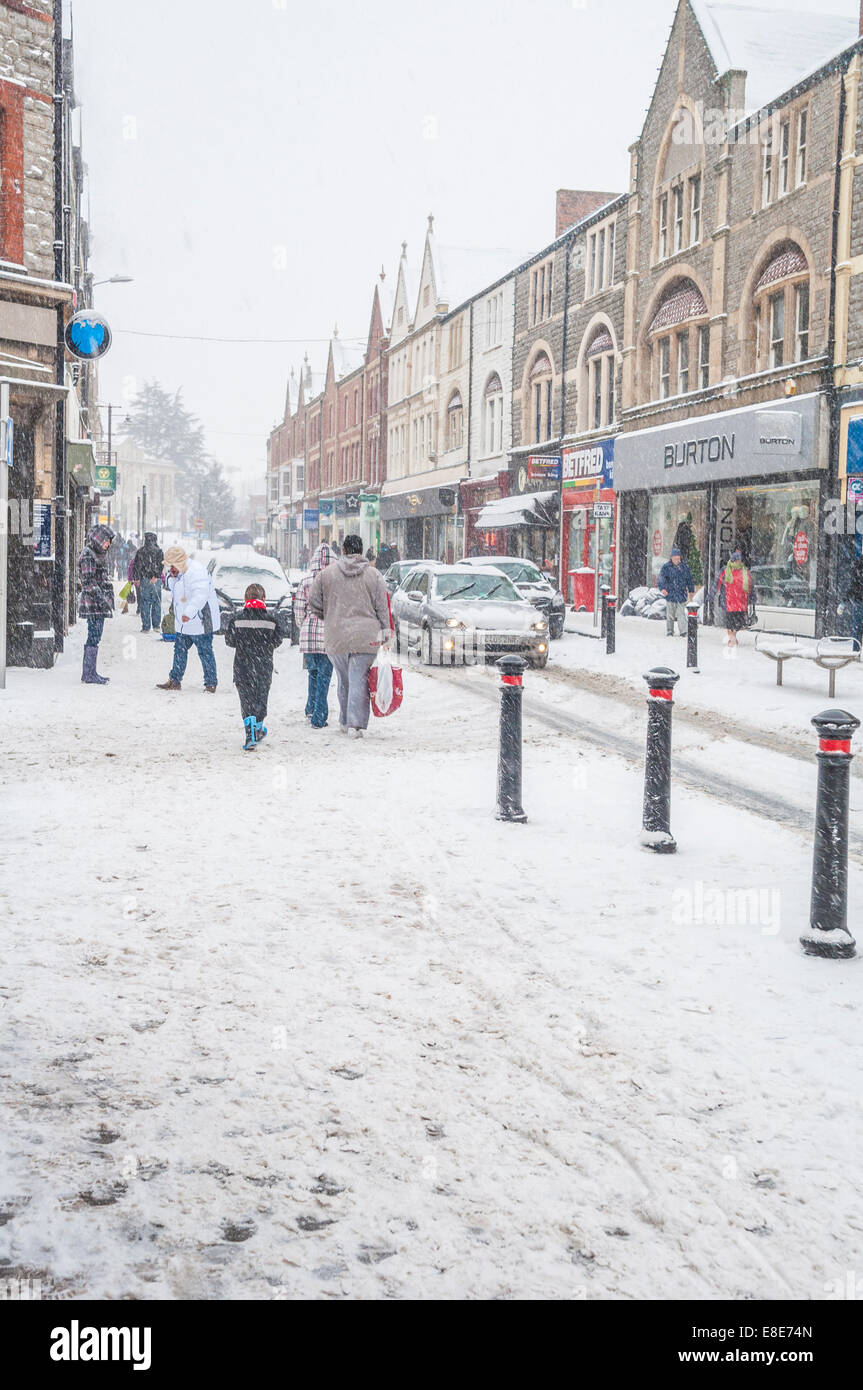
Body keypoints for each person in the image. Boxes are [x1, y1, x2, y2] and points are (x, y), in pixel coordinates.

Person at [308, 532, 391, 738]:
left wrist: (328, 615)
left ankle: (345, 720)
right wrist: (386, 633)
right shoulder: (374, 575)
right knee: (359, 679)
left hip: (337, 637)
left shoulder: (327, 574)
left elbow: (313, 601)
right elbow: (382, 607)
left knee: (344, 680)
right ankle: (355, 724)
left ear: (343, 550)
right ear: (362, 551)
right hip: (366, 637)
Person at [224, 582, 283, 751]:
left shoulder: (237, 619)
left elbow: (229, 641)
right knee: (260, 697)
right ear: (264, 599)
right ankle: (257, 728)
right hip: (263, 666)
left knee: (246, 699)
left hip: (242, 666)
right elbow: (277, 640)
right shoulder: (271, 621)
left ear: (245, 599)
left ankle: (250, 734)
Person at [156, 546, 221, 692]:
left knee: (205, 652)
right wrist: (172, 578)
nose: (170, 570)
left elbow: (200, 596)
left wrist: (189, 613)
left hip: (201, 621)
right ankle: (174, 681)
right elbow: (176, 591)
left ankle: (210, 683)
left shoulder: (197, 572)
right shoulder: (179, 573)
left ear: (179, 563)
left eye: (172, 566)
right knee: (179, 650)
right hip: (184, 623)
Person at [295, 542, 335, 728]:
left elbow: (298, 610)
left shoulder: (306, 581)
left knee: (312, 673)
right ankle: (319, 717)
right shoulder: (335, 581)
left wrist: (304, 625)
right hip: (329, 634)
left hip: (309, 635)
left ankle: (310, 708)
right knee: (324, 676)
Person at [78, 523, 115, 685]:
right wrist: (102, 598)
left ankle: (91, 672)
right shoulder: (89, 555)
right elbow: (88, 581)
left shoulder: (97, 554)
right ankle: (88, 673)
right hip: (93, 604)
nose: (108, 544)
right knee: (93, 636)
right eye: (107, 540)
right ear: (99, 539)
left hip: (98, 603)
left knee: (95, 636)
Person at [715, 549, 754, 648]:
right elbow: (717, 583)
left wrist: (752, 598)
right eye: (736, 560)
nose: (738, 562)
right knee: (729, 622)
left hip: (741, 602)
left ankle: (733, 636)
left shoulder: (745, 571)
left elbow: (750, 587)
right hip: (729, 602)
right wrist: (711, 595)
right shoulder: (725, 570)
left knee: (739, 623)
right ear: (732, 561)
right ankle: (732, 639)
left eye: (739, 560)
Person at [658, 546, 695, 636]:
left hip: (681, 594)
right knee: (670, 615)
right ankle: (670, 630)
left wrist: (691, 590)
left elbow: (689, 579)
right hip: (670, 594)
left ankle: (683, 631)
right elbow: (661, 579)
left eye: (678, 558)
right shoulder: (666, 567)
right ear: (671, 558)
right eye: (675, 558)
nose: (677, 560)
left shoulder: (684, 567)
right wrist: (663, 588)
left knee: (681, 614)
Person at [132, 531, 164, 634]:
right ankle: (156, 625)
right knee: (156, 602)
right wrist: (156, 575)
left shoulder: (141, 551)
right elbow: (161, 565)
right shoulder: (159, 551)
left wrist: (136, 578)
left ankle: (146, 626)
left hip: (144, 579)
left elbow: (136, 566)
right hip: (156, 580)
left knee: (145, 602)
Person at [844, 550, 863, 651]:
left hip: (859, 601)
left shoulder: (858, 563)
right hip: (859, 601)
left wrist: (844, 600)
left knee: (857, 628)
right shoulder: (858, 564)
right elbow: (853, 584)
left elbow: (853, 584)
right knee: (857, 627)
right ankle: (856, 651)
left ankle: (856, 651)